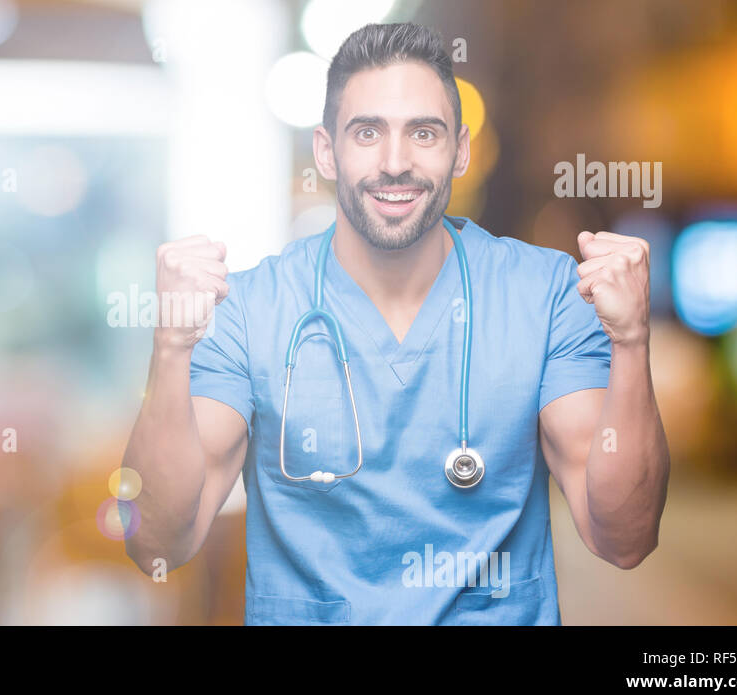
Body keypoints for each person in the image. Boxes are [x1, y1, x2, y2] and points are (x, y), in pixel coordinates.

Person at [120, 22, 669, 625]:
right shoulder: (252, 311)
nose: (395, 162)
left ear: (460, 149)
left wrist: (631, 340)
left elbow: (625, 538)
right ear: (326, 151)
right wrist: (170, 348)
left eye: (423, 133)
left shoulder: (544, 295)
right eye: (367, 132)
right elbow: (158, 544)